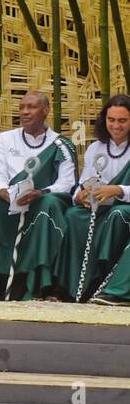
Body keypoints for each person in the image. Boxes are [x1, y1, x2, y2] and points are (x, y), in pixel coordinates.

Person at [0, 90, 75, 301]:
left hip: (41, 200)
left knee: (50, 204)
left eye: (31, 107)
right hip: (9, 200)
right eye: (22, 108)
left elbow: (67, 183)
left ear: (45, 111)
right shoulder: (5, 139)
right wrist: (6, 195)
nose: (25, 112)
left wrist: (41, 192)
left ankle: (42, 285)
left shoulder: (60, 145)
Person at [60, 94, 130, 301]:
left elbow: (117, 191)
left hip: (123, 206)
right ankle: (72, 288)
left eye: (122, 120)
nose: (116, 126)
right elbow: (84, 182)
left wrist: (118, 190)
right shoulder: (96, 148)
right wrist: (79, 196)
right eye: (111, 120)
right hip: (99, 206)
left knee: (118, 214)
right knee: (73, 216)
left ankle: (103, 278)